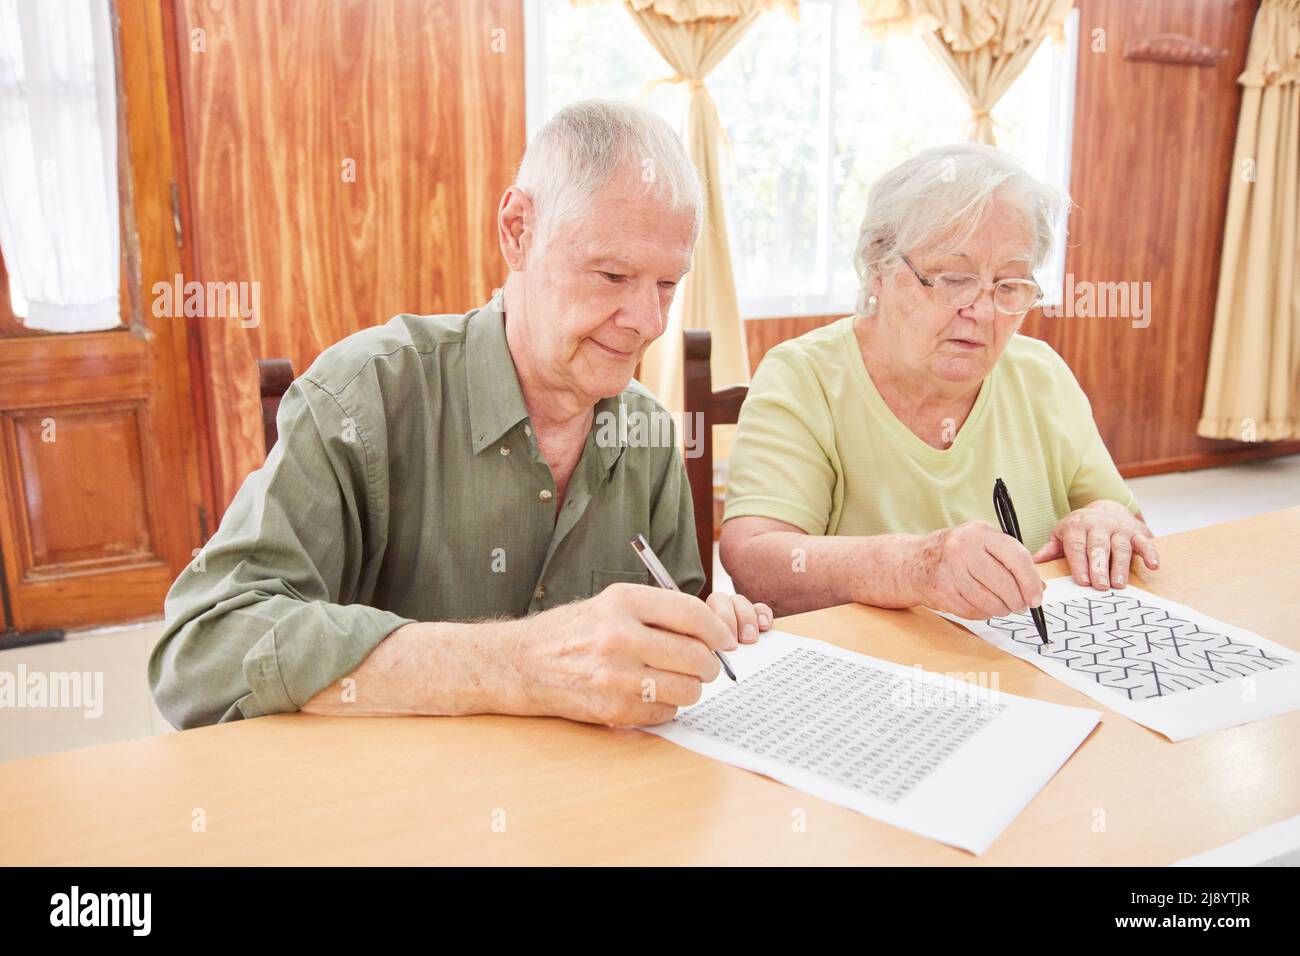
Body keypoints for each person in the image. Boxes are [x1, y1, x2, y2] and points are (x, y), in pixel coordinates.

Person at [151, 100, 772, 730]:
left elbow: (661, 646)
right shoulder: (364, 398)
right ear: (517, 230)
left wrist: (705, 627)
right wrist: (519, 664)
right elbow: (200, 651)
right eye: (612, 275)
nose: (650, 322)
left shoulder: (647, 434)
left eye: (668, 284)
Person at [721, 143, 1157, 619]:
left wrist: (1105, 523)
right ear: (878, 267)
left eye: (1010, 286)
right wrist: (912, 567)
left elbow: (1125, 521)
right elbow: (755, 561)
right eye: (953, 278)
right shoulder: (804, 377)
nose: (985, 312)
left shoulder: (1040, 374)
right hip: (873, 674)